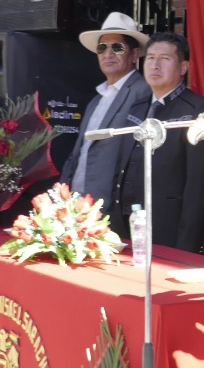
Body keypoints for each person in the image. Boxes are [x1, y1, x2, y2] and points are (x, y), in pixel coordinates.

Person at [114, 32, 204, 254]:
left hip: (169, 228)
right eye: (150, 58)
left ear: (183, 67)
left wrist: (187, 245)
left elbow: (198, 186)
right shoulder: (136, 107)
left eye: (165, 59)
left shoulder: (199, 110)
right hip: (127, 222)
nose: (155, 65)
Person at [57, 12, 152, 234]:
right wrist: (62, 195)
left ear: (134, 53)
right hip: (78, 209)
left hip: (113, 211)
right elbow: (78, 153)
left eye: (117, 47)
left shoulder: (143, 91)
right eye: (102, 48)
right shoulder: (96, 100)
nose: (108, 54)